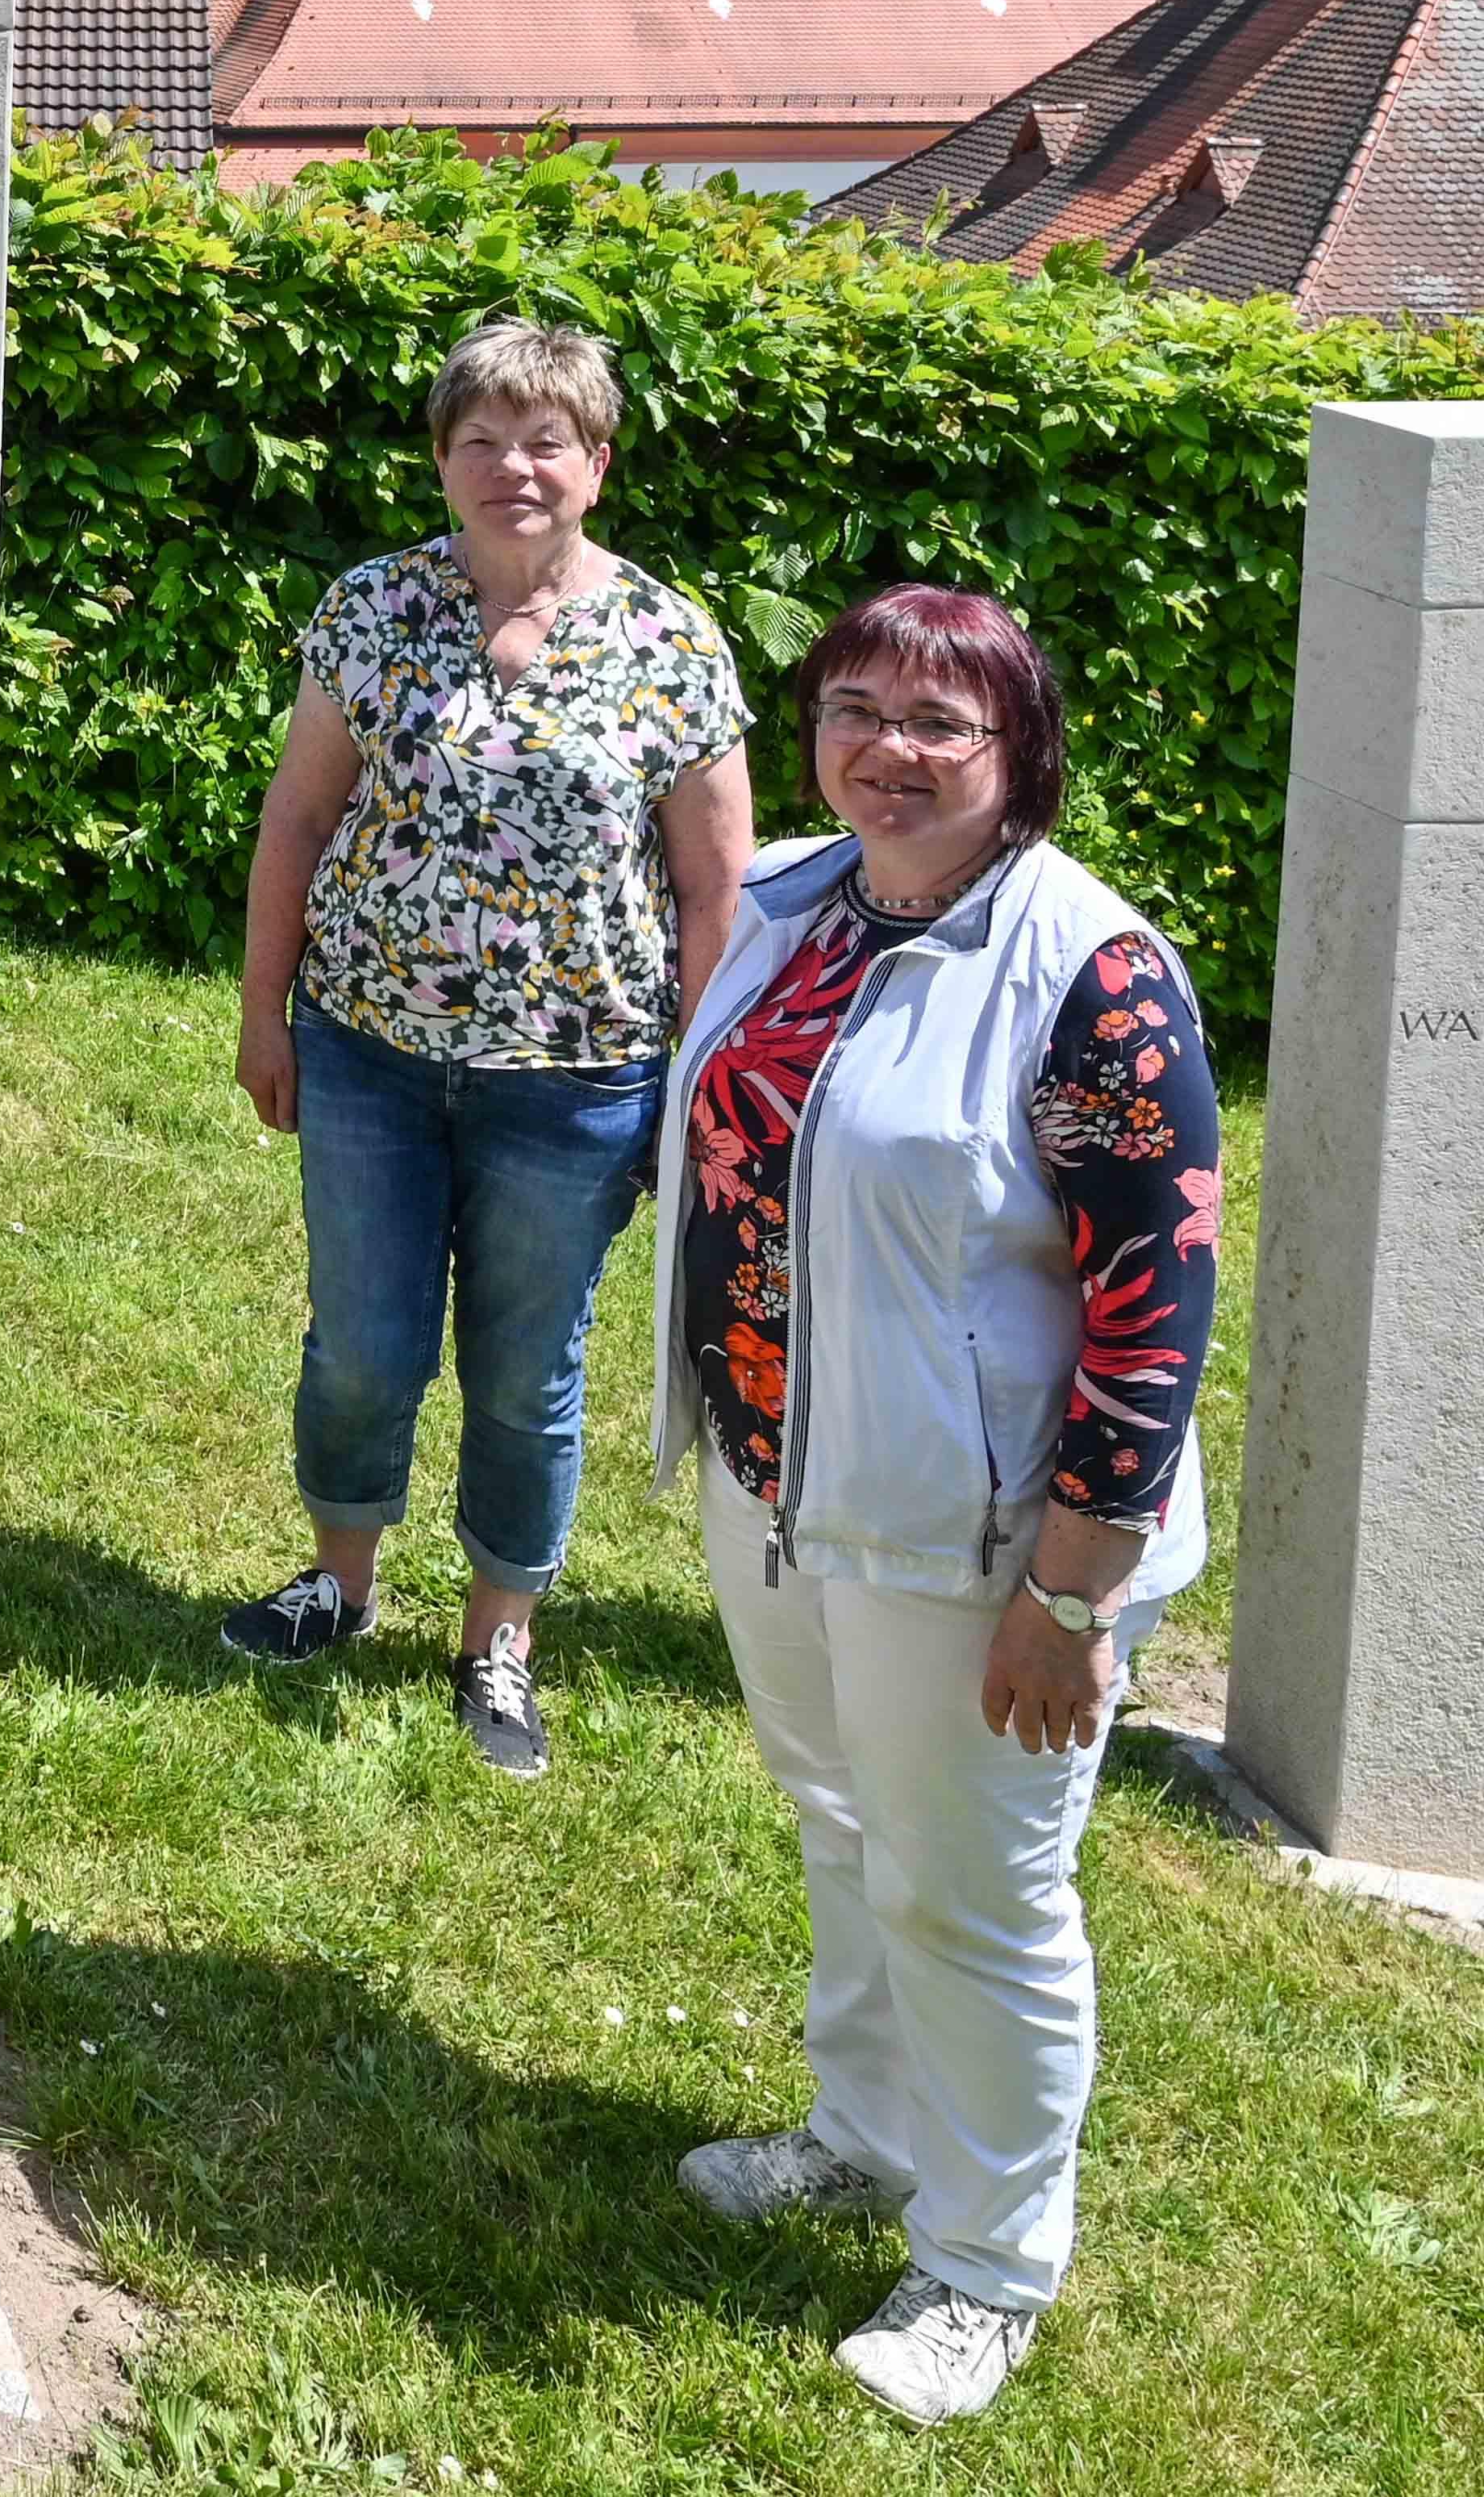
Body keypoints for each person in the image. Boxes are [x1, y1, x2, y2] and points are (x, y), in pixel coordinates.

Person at [651, 585, 1219, 2428]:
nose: (888, 745)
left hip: (975, 1536)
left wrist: (1076, 1583)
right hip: (782, 1470)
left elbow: (1156, 1294)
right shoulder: (803, 895)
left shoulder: (1092, 972)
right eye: (857, 704)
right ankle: (867, 2131)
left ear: (1020, 756)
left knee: (978, 1890)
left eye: (940, 723)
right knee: (842, 1820)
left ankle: (986, 2268)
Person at [226, 317, 752, 1774]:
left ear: (596, 459)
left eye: (544, 441)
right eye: (480, 440)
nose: (511, 467)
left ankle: (499, 1639)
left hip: (578, 1083)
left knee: (528, 1370)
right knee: (363, 1347)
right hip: (371, 1056)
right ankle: (339, 1582)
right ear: (443, 460)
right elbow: (299, 821)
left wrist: (694, 1097)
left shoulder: (669, 642)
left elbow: (713, 888)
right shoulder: (375, 607)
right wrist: (266, 1009)